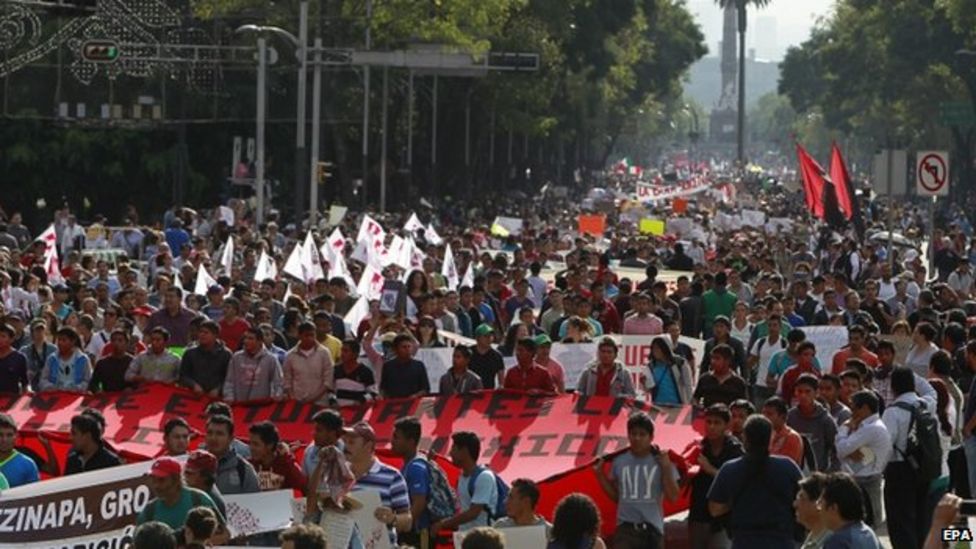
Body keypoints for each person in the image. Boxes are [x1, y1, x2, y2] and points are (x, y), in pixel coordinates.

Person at [707, 414, 803, 548]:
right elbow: (807, 500)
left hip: (744, 540)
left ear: (744, 438)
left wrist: (736, 502)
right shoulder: (787, 467)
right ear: (771, 437)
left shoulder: (730, 469)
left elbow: (714, 509)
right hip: (781, 540)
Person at [593, 411, 679, 549]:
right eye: (633, 434)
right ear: (628, 435)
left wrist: (666, 468)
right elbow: (618, 497)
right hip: (625, 530)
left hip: (653, 530)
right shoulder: (619, 461)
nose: (637, 438)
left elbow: (673, 497)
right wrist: (600, 475)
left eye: (642, 434)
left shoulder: (662, 460)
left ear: (651, 437)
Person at [882, 367, 932, 549]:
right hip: (924, 467)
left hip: (899, 470)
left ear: (893, 387)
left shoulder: (892, 412)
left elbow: (885, 446)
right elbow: (931, 390)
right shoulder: (926, 404)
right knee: (921, 519)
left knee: (900, 523)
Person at [343, 421, 412, 545]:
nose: (346, 446)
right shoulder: (337, 475)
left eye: (352, 442)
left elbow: (407, 521)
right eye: (345, 441)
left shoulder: (392, 476)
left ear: (368, 446)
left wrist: (393, 518)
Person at [688, 404, 743, 549]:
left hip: (723, 518)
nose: (711, 427)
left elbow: (739, 483)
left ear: (726, 425)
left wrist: (710, 469)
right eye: (709, 422)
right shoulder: (698, 447)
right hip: (698, 514)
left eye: (717, 423)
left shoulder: (735, 450)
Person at [834, 390, 889, 528]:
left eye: (853, 408)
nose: (851, 412)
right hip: (862, 479)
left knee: (863, 528)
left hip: (865, 483)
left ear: (864, 408)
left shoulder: (871, 428)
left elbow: (841, 450)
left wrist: (844, 429)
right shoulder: (865, 426)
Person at [434, 431, 500, 533]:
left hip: (483, 538)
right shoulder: (462, 477)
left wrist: (443, 524)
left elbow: (473, 513)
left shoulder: (484, 477)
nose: (450, 453)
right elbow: (463, 510)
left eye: (453, 448)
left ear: (464, 451)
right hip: (465, 537)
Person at [137, 457, 224, 530]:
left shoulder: (198, 500)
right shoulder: (150, 510)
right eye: (153, 479)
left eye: (161, 480)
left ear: (176, 479)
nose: (156, 485)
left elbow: (224, 534)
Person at [391, 417, 433, 548]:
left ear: (411, 441)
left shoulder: (416, 468)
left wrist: (401, 526)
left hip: (418, 534)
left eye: (396, 437)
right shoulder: (407, 465)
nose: (392, 441)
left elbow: (419, 503)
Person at [787, 374, 838, 472]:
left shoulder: (825, 420)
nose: (803, 395)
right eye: (799, 391)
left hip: (818, 475)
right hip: (794, 473)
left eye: (807, 392)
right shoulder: (790, 416)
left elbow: (835, 449)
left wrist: (831, 473)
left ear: (816, 393)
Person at [819, 473, 882, 548]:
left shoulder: (837, 542)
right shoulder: (869, 533)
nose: (819, 508)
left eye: (821, 502)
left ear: (833, 508)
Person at [223, 327, 283, 402]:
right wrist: (229, 397)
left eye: (250, 338)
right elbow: (229, 381)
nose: (246, 341)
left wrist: (276, 397)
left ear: (260, 341)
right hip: (239, 405)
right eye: (245, 338)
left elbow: (278, 382)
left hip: (262, 406)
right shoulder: (236, 357)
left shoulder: (271, 359)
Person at [204, 414, 260, 495]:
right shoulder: (192, 466)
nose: (213, 438)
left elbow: (255, 501)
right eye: (210, 433)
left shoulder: (243, 469)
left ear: (231, 438)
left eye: (219, 434)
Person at [283, 321, 335, 406]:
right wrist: (294, 399)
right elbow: (287, 381)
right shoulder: (290, 356)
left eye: (312, 335)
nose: (310, 338)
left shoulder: (324, 353)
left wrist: (313, 398)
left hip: (320, 403)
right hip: (297, 403)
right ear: (299, 336)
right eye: (307, 335)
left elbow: (328, 381)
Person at [248, 421, 306, 494]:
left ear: (270, 445)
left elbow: (303, 485)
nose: (251, 448)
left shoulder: (286, 463)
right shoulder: (249, 465)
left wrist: (287, 457)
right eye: (250, 443)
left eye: (256, 444)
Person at [179, 320, 231, 397]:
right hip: (193, 396)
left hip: (217, 398)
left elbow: (229, 379)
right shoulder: (190, 353)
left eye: (206, 333)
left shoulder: (226, 354)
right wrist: (193, 385)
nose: (202, 335)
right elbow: (183, 375)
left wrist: (218, 389)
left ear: (215, 335)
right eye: (200, 332)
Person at [38, 327, 91, 392]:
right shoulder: (51, 359)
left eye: (63, 340)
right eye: (59, 340)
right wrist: (52, 388)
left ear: (73, 341)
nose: (60, 343)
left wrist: (76, 389)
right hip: (55, 397)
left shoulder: (83, 359)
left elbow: (88, 381)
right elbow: (42, 380)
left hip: (75, 398)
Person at [644, 336, 693, 405]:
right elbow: (648, 389)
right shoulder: (651, 366)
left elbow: (688, 385)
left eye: (658, 348)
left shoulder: (680, 363)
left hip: (678, 406)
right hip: (658, 406)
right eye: (653, 348)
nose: (655, 351)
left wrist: (690, 404)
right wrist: (644, 383)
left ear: (665, 348)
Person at [380, 334, 430, 399]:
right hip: (393, 404)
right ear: (396, 349)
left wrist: (415, 396)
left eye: (409, 346)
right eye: (404, 347)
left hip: (414, 403)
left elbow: (425, 389)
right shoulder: (388, 366)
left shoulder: (419, 365)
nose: (407, 349)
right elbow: (383, 388)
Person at [183, 450, 227, 518]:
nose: (185, 476)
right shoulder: (187, 491)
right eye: (185, 471)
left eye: (189, 473)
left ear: (205, 476)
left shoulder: (212, 503)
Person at [334, 339, 378, 406]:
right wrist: (333, 401)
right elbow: (330, 390)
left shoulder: (365, 371)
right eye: (342, 350)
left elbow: (374, 393)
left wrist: (360, 401)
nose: (342, 354)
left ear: (355, 354)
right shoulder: (336, 370)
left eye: (345, 351)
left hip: (357, 413)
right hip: (339, 411)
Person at [762, 397, 804, 466]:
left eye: (769, 414)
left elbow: (784, 466)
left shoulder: (792, 437)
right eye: (763, 413)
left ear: (782, 416)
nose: (765, 417)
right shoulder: (765, 434)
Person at [0, 414, 38, 487]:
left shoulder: (28, 464)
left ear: (16, 436)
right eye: (0, 435)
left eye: (9, 435)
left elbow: (35, 496)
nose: (4, 440)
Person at [794, 473, 829, 549]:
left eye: (802, 498)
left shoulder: (834, 543)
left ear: (819, 503)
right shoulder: (813, 539)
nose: (795, 504)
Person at [469, 324, 504, 389]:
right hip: (470, 392)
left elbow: (501, 377)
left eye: (491, 336)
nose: (489, 338)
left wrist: (500, 386)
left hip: (488, 393)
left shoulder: (497, 356)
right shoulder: (468, 353)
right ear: (477, 338)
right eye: (485, 336)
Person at [0, 323, 28, 394]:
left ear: (11, 339)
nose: (0, 339)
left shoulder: (19, 358)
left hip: (11, 400)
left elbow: (24, 383)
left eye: (3, 336)